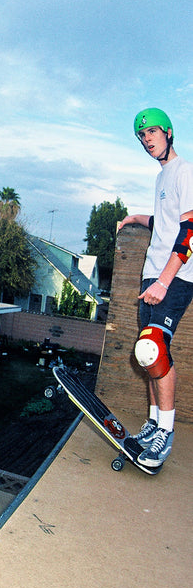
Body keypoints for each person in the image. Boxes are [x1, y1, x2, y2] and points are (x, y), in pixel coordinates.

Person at [117, 107, 193, 473]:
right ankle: (151, 424)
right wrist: (134, 218)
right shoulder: (163, 178)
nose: (147, 140)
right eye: (141, 136)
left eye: (151, 132)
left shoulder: (185, 171)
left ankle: (165, 432)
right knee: (148, 355)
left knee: (153, 347)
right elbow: (164, 223)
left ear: (168, 132)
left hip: (175, 277)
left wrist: (165, 281)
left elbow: (190, 230)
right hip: (153, 275)